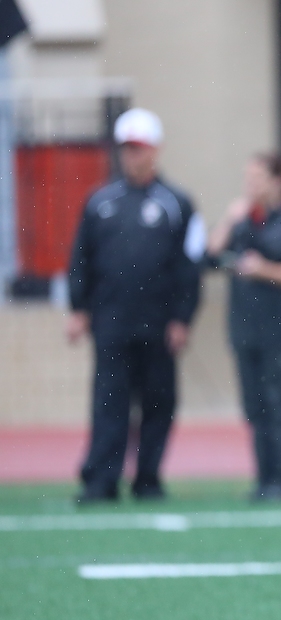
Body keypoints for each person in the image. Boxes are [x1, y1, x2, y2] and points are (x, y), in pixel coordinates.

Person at [67, 108, 204, 503]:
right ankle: (101, 480)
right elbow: (81, 259)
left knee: (159, 403)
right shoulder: (99, 201)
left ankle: (148, 476)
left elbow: (189, 266)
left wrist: (182, 317)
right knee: (109, 402)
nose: (133, 156)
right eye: (127, 148)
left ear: (155, 150)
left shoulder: (177, 203)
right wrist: (79, 308)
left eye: (139, 148)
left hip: (158, 323)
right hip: (111, 321)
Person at [205, 153, 281, 501]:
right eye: (248, 178)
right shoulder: (243, 223)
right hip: (246, 331)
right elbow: (209, 256)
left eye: (258, 178)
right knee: (256, 409)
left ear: (278, 182)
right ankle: (265, 478)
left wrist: (263, 269)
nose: (251, 185)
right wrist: (229, 218)